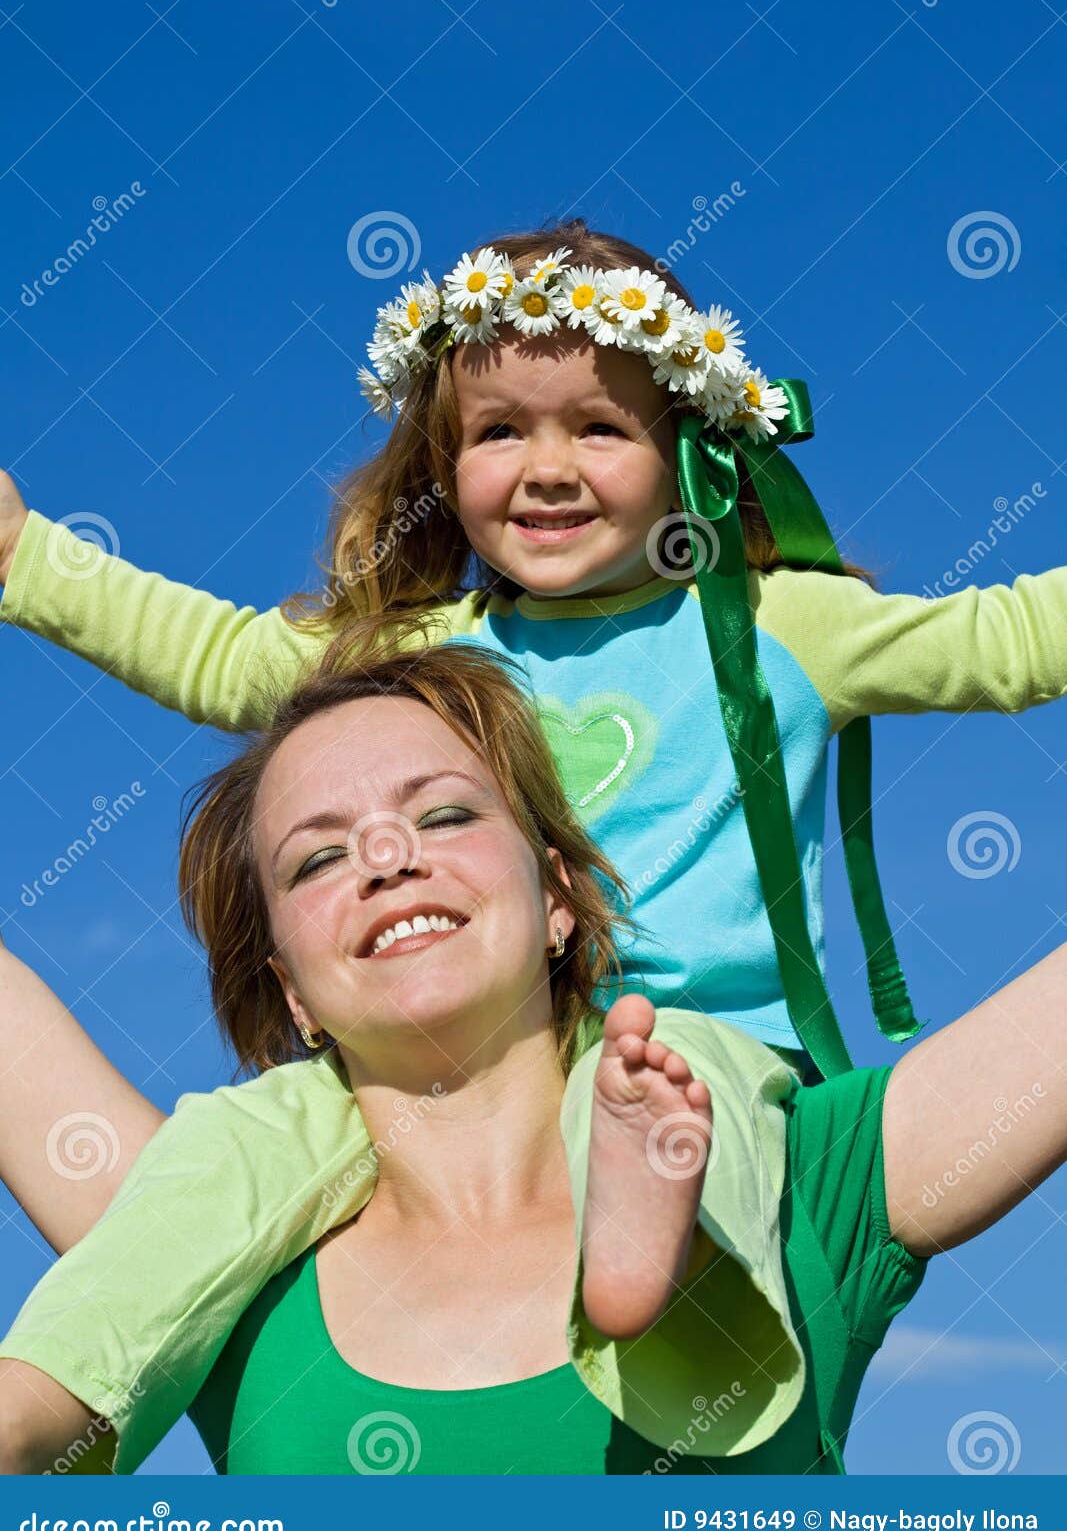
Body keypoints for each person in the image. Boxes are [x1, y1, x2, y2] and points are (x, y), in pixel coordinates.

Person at [2, 220, 1066, 1462]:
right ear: (440, 463)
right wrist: (28, 559)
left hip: (689, 1041)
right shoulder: (407, 661)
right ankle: (41, 1408)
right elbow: (227, 657)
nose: (547, 467)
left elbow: (999, 638)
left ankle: (644, 1280)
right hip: (419, 1089)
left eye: (599, 428)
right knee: (218, 1160)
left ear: (689, 458)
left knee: (675, 1112)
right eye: (500, 430)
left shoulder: (780, 627)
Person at [3, 642, 1064, 1476]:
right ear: (291, 987)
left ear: (556, 898)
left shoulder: (786, 1175)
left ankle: (666, 1264)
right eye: (319, 856)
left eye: (446, 813)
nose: (385, 857)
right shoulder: (211, 1246)